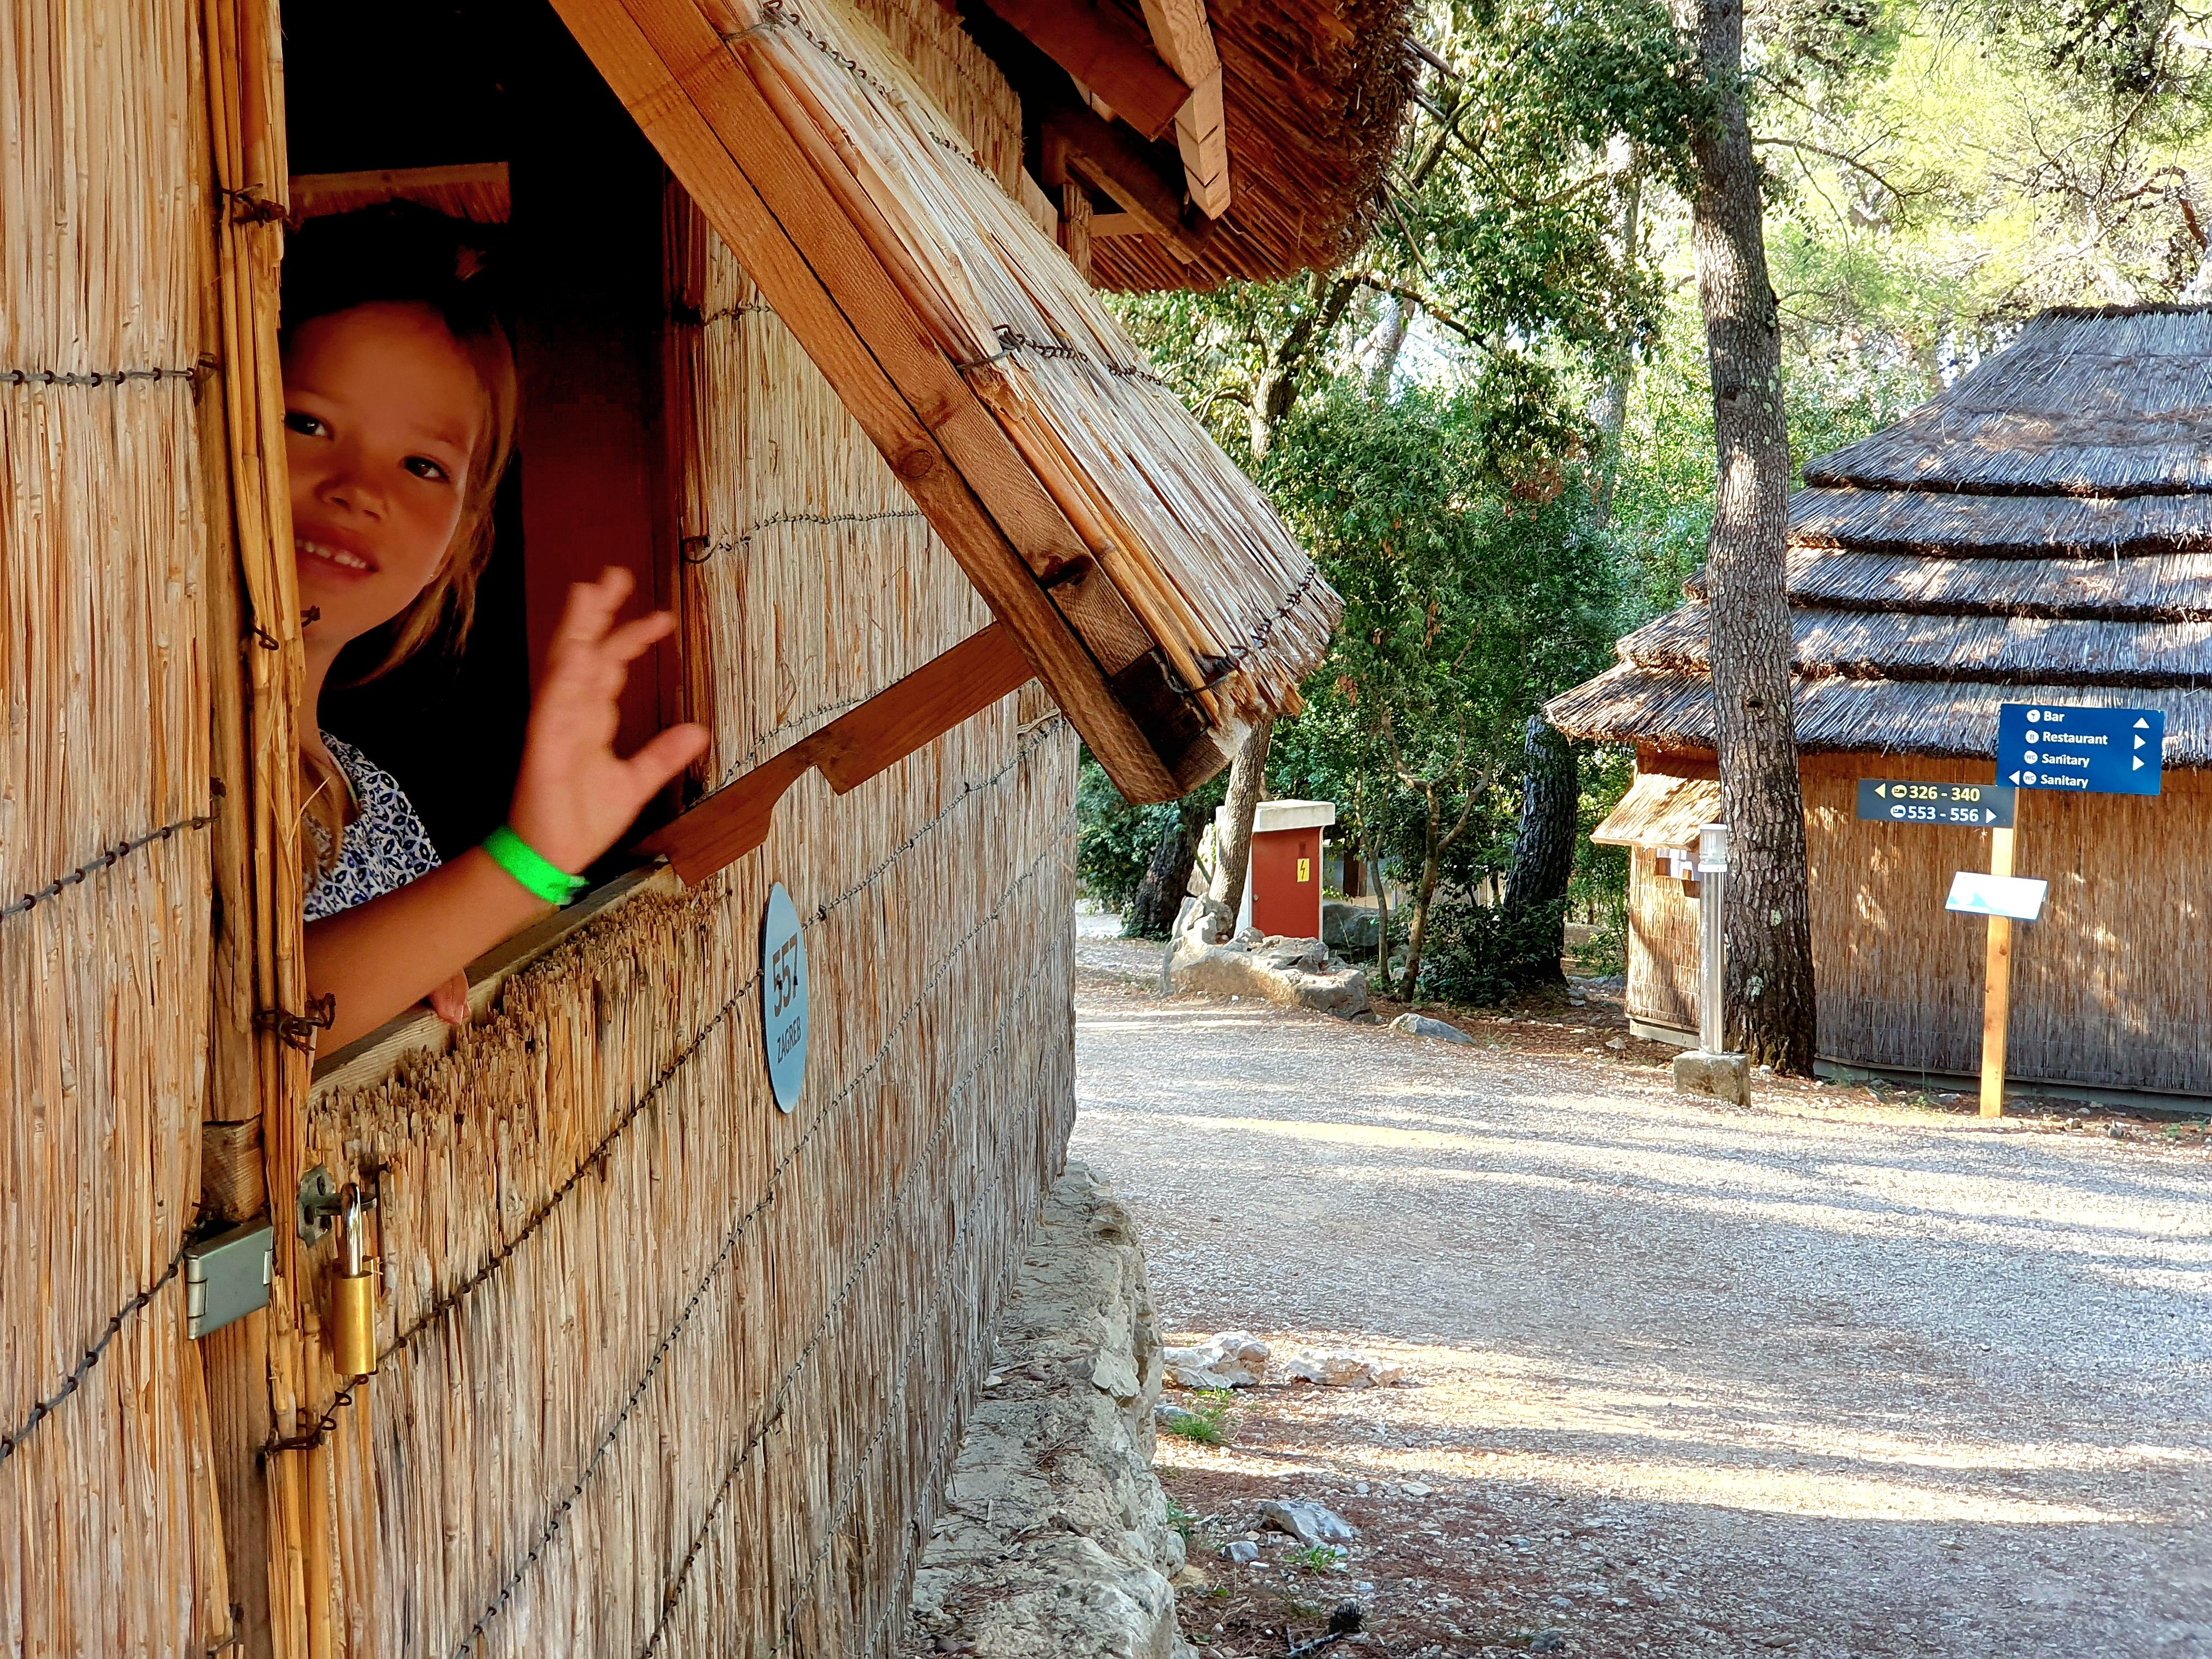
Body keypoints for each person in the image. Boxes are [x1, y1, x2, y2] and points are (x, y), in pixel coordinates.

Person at [287, 206, 707, 1050]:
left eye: (422, 466)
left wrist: (412, 946)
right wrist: (523, 867)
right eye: (307, 424)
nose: (359, 488)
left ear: (457, 542)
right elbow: (249, 1021)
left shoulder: (377, 807)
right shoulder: (151, 777)